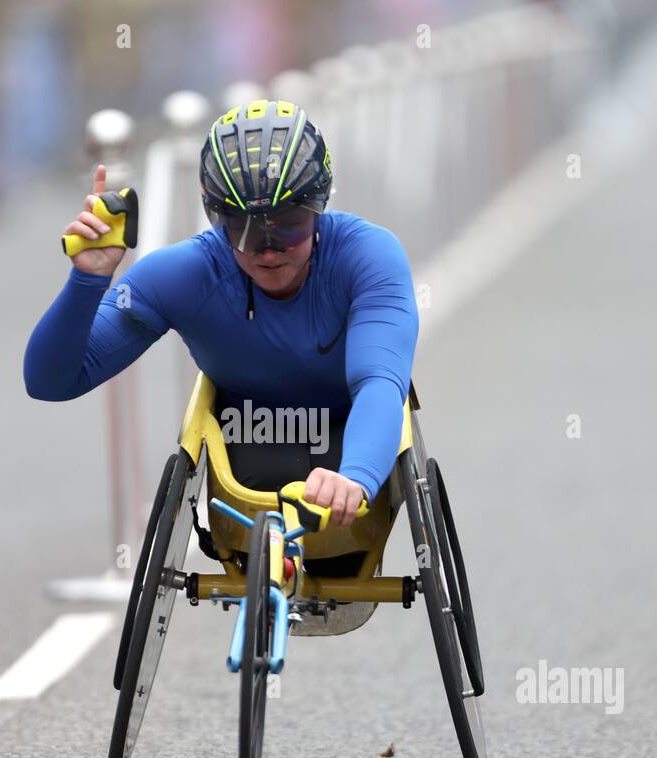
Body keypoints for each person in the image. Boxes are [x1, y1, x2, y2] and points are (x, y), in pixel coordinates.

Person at [24, 100, 417, 529]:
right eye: (243, 228)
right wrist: (87, 282)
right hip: (247, 440)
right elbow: (50, 382)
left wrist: (355, 477)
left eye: (289, 223)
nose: (268, 248)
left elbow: (379, 381)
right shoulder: (180, 274)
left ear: (321, 204)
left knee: (344, 552)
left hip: (351, 440)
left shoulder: (370, 255)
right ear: (213, 217)